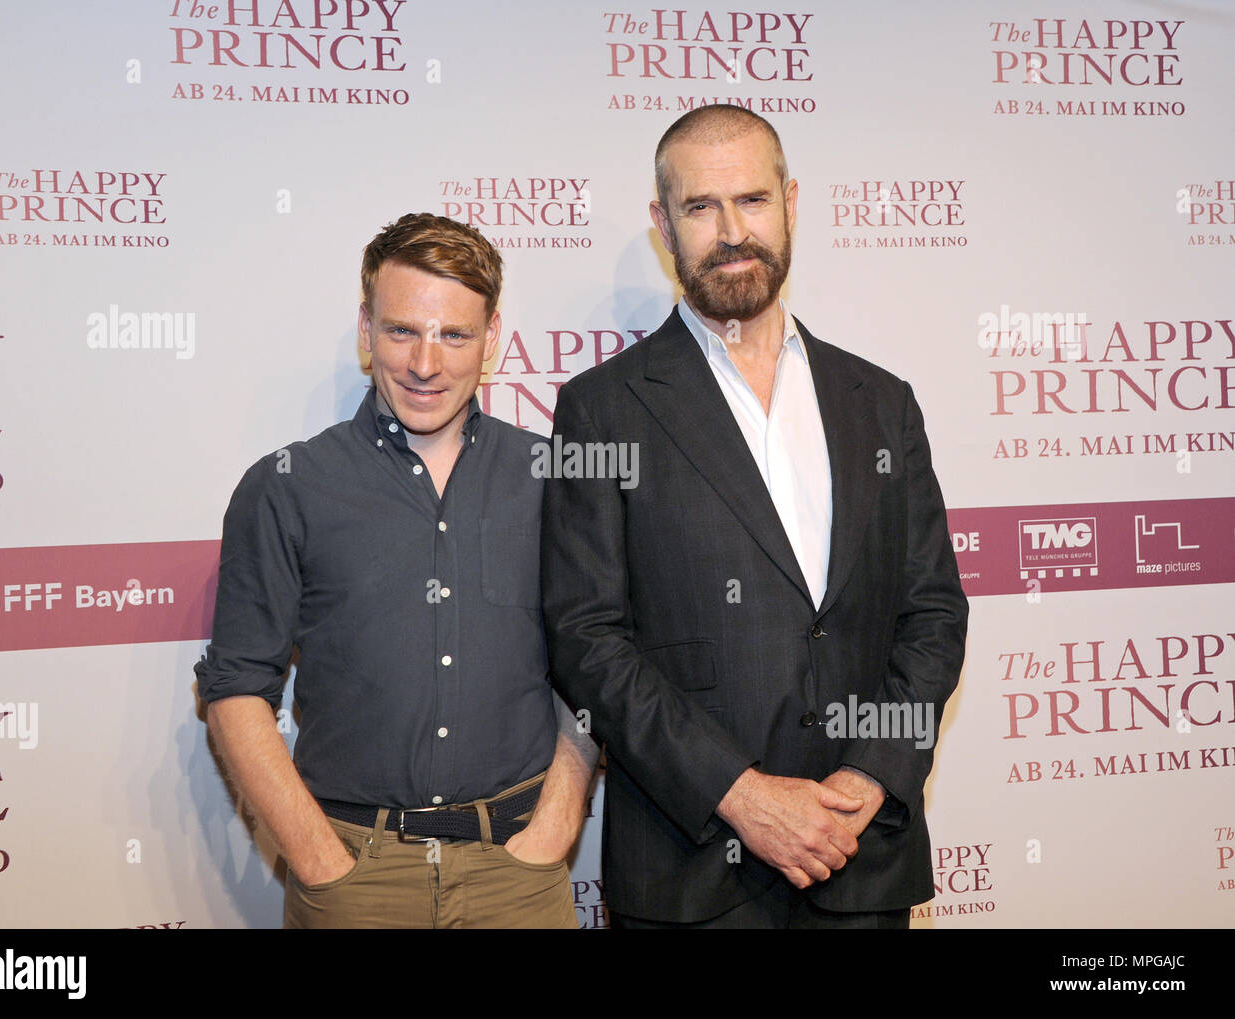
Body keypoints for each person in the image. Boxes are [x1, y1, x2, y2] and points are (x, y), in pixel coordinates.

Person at [541, 106, 969, 928]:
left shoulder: (882, 402)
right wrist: (740, 794)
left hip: (859, 858)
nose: (732, 231)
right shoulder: (598, 410)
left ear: (793, 202)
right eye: (701, 207)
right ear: (664, 225)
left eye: (753, 200)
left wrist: (868, 778)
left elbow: (934, 612)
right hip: (690, 867)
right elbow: (585, 637)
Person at [196, 212, 598, 929]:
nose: (425, 363)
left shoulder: (553, 478)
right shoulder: (287, 486)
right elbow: (234, 689)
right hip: (354, 878)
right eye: (402, 330)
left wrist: (555, 828)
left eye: (454, 334)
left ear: (493, 338)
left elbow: (593, 660)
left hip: (520, 875)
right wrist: (318, 859)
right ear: (365, 328)